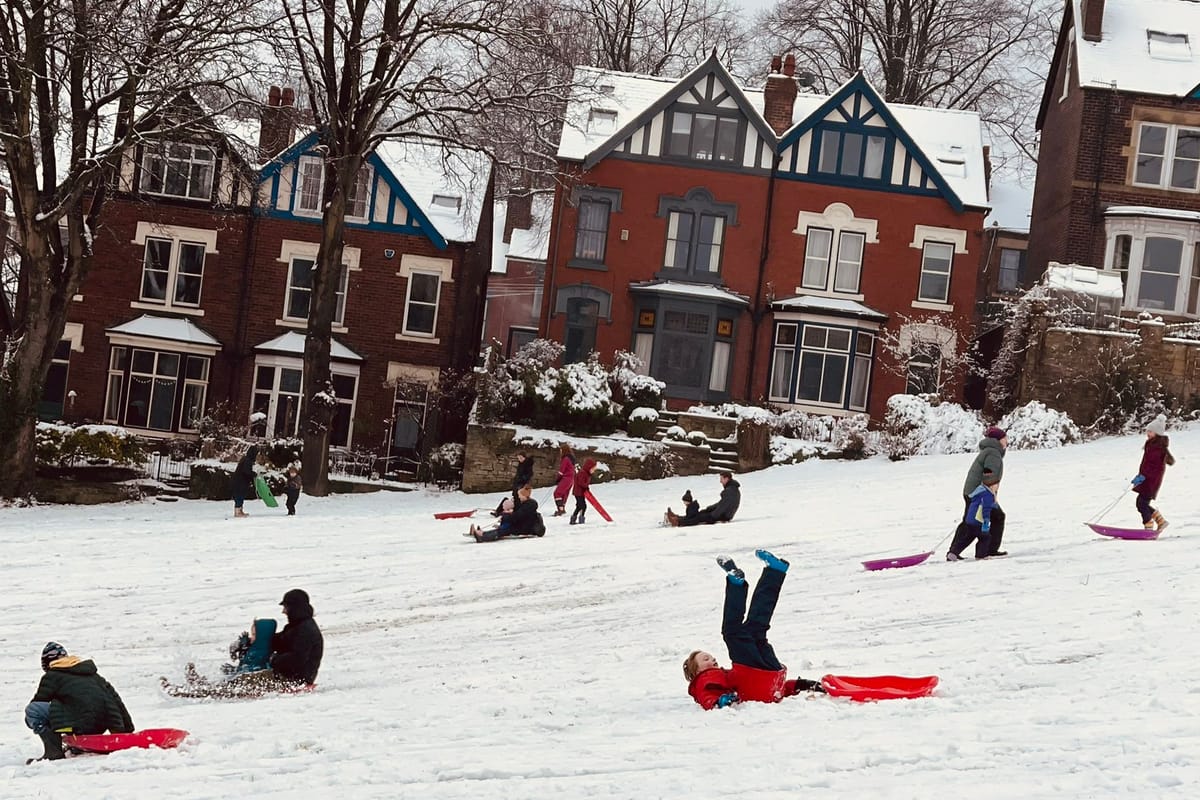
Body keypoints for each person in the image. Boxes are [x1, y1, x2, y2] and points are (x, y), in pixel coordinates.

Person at [682, 550, 824, 710]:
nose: (713, 660)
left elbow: (775, 688)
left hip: (770, 677)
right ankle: (743, 582)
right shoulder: (702, 679)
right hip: (755, 675)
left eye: (710, 657)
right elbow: (705, 696)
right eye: (706, 659)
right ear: (696, 670)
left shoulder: (721, 676)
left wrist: (800, 684)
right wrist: (718, 702)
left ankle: (774, 571)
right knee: (732, 632)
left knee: (756, 628)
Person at [25, 642, 134, 762]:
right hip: (100, 725)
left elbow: (38, 703)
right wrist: (126, 732)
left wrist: (30, 721)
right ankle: (76, 743)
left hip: (78, 724)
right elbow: (116, 700)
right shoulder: (94, 675)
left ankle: (53, 752)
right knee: (71, 704)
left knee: (33, 710)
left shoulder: (52, 675)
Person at [947, 426, 1008, 560]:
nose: (1007, 441)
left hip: (975, 491)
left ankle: (955, 552)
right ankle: (985, 550)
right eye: (1004, 438)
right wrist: (991, 492)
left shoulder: (990, 451)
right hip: (979, 494)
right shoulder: (993, 452)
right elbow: (989, 473)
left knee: (972, 522)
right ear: (998, 440)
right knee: (979, 522)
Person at [270, 589, 324, 687]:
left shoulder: (306, 630)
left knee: (247, 680)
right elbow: (281, 642)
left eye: (286, 607)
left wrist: (273, 660)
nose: (283, 611)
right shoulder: (297, 626)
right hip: (288, 675)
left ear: (294, 608)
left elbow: (297, 658)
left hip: (296, 679)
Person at [1133, 414, 1175, 532]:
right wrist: (1140, 476)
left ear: (1157, 433)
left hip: (1151, 480)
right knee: (1141, 503)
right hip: (1147, 478)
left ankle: (1148, 524)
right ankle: (1160, 521)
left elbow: (1152, 466)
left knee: (1142, 503)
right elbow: (1147, 464)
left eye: (1150, 431)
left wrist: (1142, 477)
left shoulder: (1157, 447)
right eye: (1148, 431)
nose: (1148, 433)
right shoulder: (1152, 445)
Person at [947, 476, 1000, 560]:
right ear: (991, 486)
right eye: (996, 485)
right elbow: (986, 508)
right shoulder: (988, 495)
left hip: (970, 520)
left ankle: (953, 553)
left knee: (968, 537)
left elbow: (978, 504)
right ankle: (981, 555)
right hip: (977, 521)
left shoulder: (979, 492)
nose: (997, 487)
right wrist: (986, 521)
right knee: (985, 537)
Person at [470, 485, 546, 542]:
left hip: (526, 528)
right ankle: (482, 533)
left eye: (519, 495)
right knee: (506, 527)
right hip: (524, 525)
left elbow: (517, 517)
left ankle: (482, 536)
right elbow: (518, 515)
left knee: (505, 530)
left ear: (524, 496)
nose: (518, 497)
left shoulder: (529, 505)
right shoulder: (525, 504)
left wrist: (505, 516)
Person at [666, 472, 741, 527]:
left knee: (699, 517)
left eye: (721, 479)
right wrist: (710, 508)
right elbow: (722, 504)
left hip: (724, 516)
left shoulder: (730, 491)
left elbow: (723, 507)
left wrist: (712, 516)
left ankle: (678, 522)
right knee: (701, 513)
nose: (720, 481)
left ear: (726, 479)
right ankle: (677, 518)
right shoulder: (731, 489)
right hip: (723, 514)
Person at [230, 444, 260, 518]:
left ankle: (240, 511)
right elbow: (246, 472)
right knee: (239, 496)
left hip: (241, 481)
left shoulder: (246, 459)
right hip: (240, 481)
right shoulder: (247, 461)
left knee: (241, 495)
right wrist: (253, 474)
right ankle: (237, 512)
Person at [570, 458, 597, 525]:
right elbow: (581, 482)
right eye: (593, 469)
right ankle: (581, 519)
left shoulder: (586, 473)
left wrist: (586, 488)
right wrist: (586, 487)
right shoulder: (582, 473)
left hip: (581, 492)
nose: (593, 471)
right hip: (578, 493)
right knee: (583, 506)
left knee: (579, 506)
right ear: (588, 468)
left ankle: (573, 519)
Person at [553, 443, 577, 516]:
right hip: (571, 479)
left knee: (557, 493)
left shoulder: (565, 459)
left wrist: (557, 479)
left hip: (566, 478)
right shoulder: (572, 459)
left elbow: (561, 470)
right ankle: (562, 508)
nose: (560, 452)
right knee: (564, 494)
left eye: (561, 450)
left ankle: (560, 509)